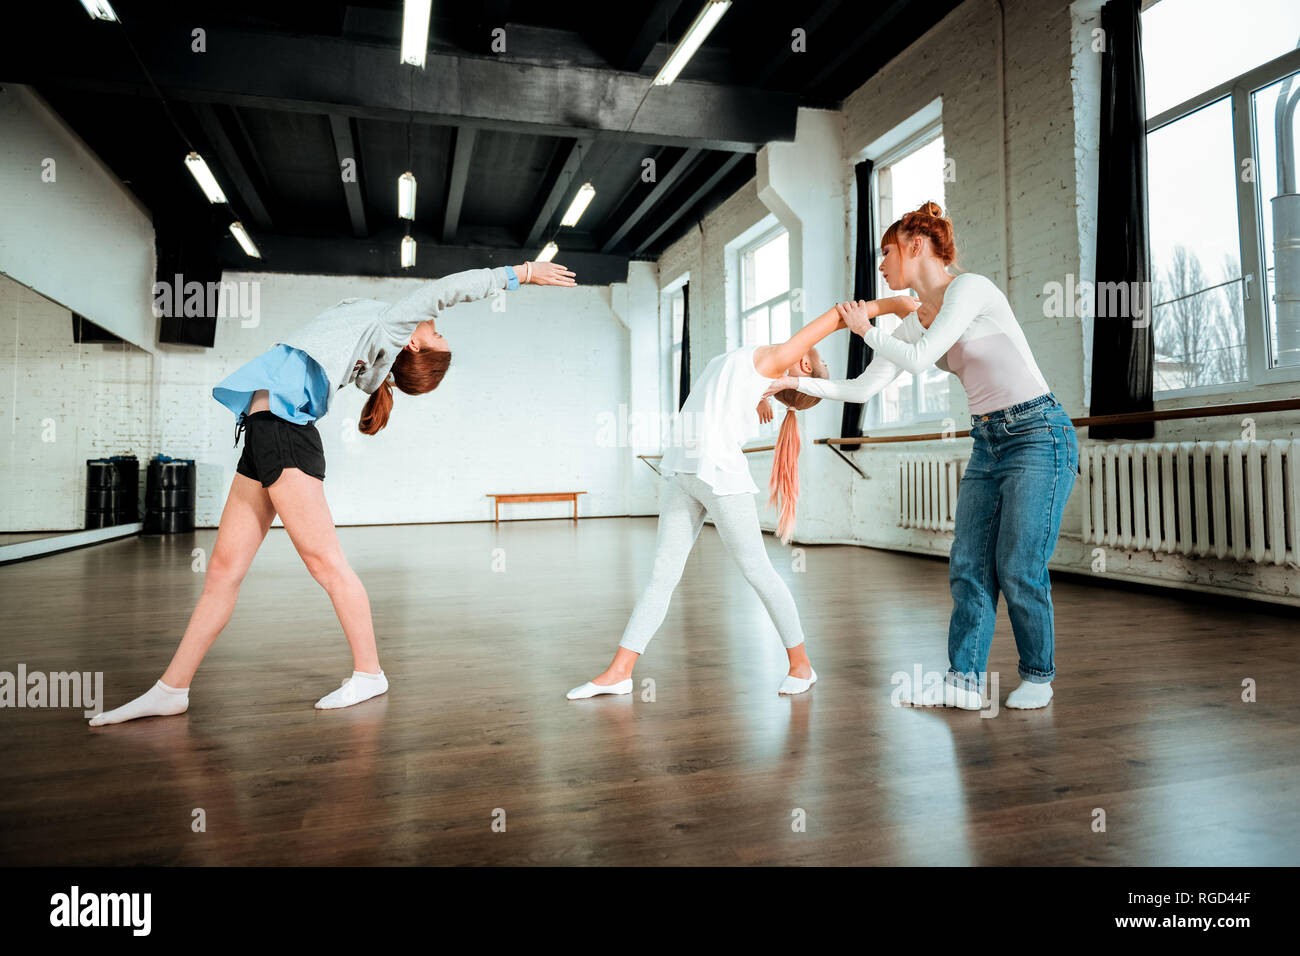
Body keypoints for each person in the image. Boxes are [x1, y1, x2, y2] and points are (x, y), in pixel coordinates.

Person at [90, 260, 577, 726]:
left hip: (284, 434)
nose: (437, 324)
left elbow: (446, 289)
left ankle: (369, 674)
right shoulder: (376, 329)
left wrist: (521, 275)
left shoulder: (392, 325)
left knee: (327, 565)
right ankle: (172, 690)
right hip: (261, 434)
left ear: (412, 345)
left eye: (439, 334)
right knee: (222, 572)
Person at [767, 201, 1077, 711]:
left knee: (1019, 564)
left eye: (886, 253)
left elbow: (916, 360)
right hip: (989, 440)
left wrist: (866, 328)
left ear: (916, 246)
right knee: (969, 565)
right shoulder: (919, 320)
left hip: (1039, 433)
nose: (883, 266)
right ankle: (964, 684)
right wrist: (793, 381)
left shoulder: (971, 289)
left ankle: (1038, 676)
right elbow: (864, 388)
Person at [567, 291, 920, 700]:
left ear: (803, 362)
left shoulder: (772, 362)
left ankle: (802, 666)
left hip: (717, 475)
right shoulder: (762, 368)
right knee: (662, 577)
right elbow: (731, 390)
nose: (809, 348)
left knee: (758, 571)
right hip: (683, 470)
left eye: (811, 354)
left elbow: (835, 319)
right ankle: (619, 672)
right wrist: (762, 396)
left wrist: (891, 307)